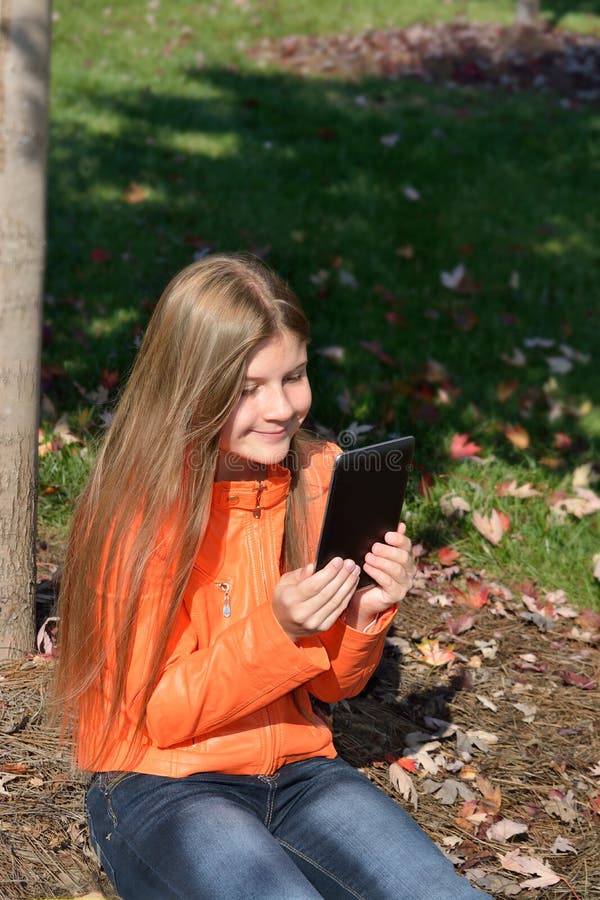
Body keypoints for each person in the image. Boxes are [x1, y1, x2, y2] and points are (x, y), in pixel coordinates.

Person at [55, 253, 488, 899]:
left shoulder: (320, 476)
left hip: (302, 772)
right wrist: (280, 629)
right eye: (247, 388)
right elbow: (159, 716)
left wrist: (364, 614)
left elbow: (335, 686)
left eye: (295, 376)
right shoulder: (138, 511)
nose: (281, 407)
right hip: (161, 782)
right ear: (190, 388)